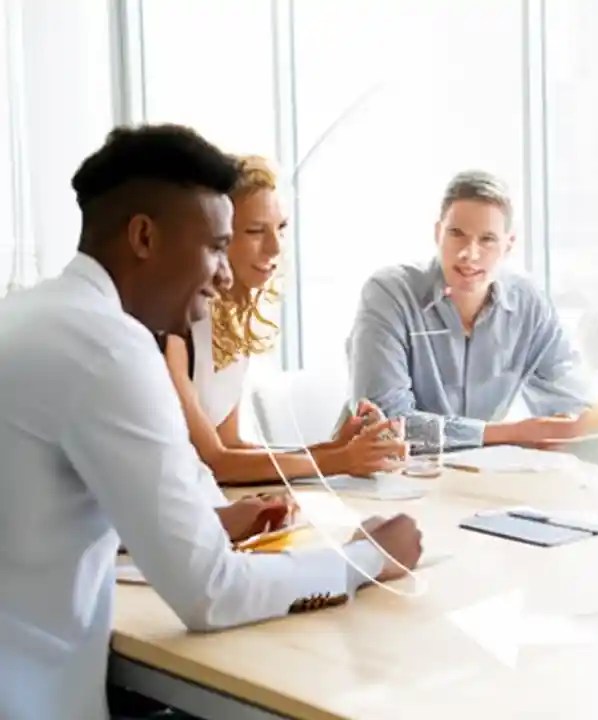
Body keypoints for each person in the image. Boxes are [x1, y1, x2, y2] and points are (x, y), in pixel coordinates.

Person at [0, 124, 424, 720]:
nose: (225, 276)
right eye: (217, 247)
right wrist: (363, 559)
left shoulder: (26, 315)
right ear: (144, 237)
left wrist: (208, 522)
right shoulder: (112, 349)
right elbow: (211, 594)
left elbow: (38, 512)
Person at [162, 155, 404, 485]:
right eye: (255, 231)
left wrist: (338, 448)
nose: (275, 248)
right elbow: (215, 462)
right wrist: (339, 459)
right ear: (216, 236)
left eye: (282, 228)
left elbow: (233, 447)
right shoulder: (174, 328)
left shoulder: (234, 321)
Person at [347, 170, 596, 451]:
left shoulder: (529, 304)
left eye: (487, 239)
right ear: (438, 233)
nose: (469, 254)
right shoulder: (389, 293)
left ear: (508, 245)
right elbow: (383, 425)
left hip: (479, 471)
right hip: (387, 470)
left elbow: (574, 403)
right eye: (456, 234)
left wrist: (583, 424)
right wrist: (513, 433)